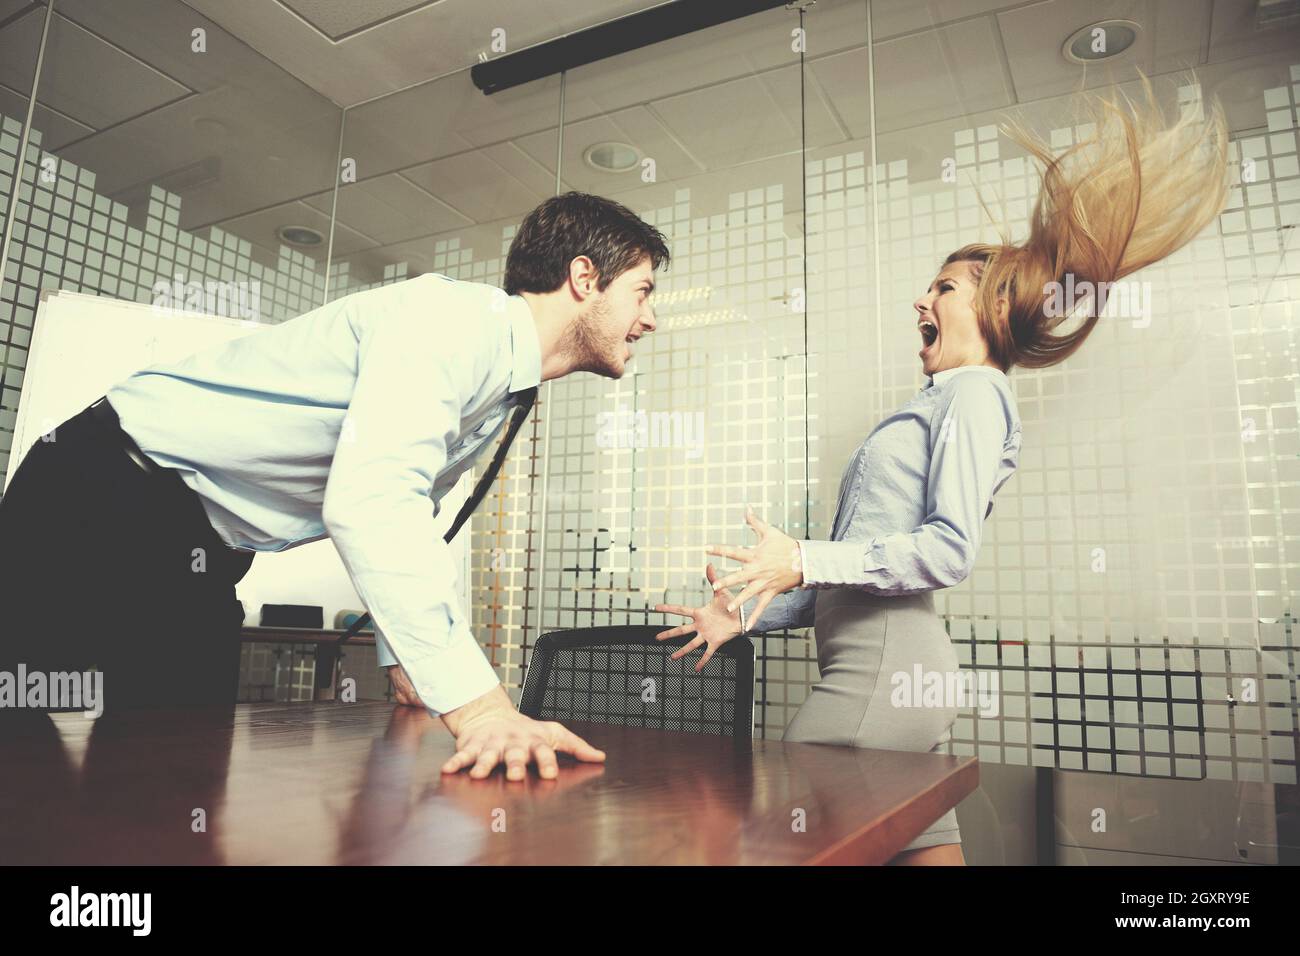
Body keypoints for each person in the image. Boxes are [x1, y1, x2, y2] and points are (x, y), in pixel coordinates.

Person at [654, 72, 1230, 864]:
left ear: (992, 307)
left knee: (771, 846)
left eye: (944, 287)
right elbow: (848, 580)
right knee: (924, 850)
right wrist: (747, 613)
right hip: (891, 675)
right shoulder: (946, 399)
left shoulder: (976, 393)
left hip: (881, 679)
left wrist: (799, 558)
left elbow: (947, 550)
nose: (922, 301)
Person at [0, 191, 669, 784]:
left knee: (174, 769)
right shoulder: (455, 323)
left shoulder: (500, 381)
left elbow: (409, 512)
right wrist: (482, 708)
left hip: (190, 543)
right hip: (99, 490)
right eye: (642, 291)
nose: (651, 318)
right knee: (19, 735)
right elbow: (371, 502)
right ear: (585, 277)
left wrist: (405, 656)